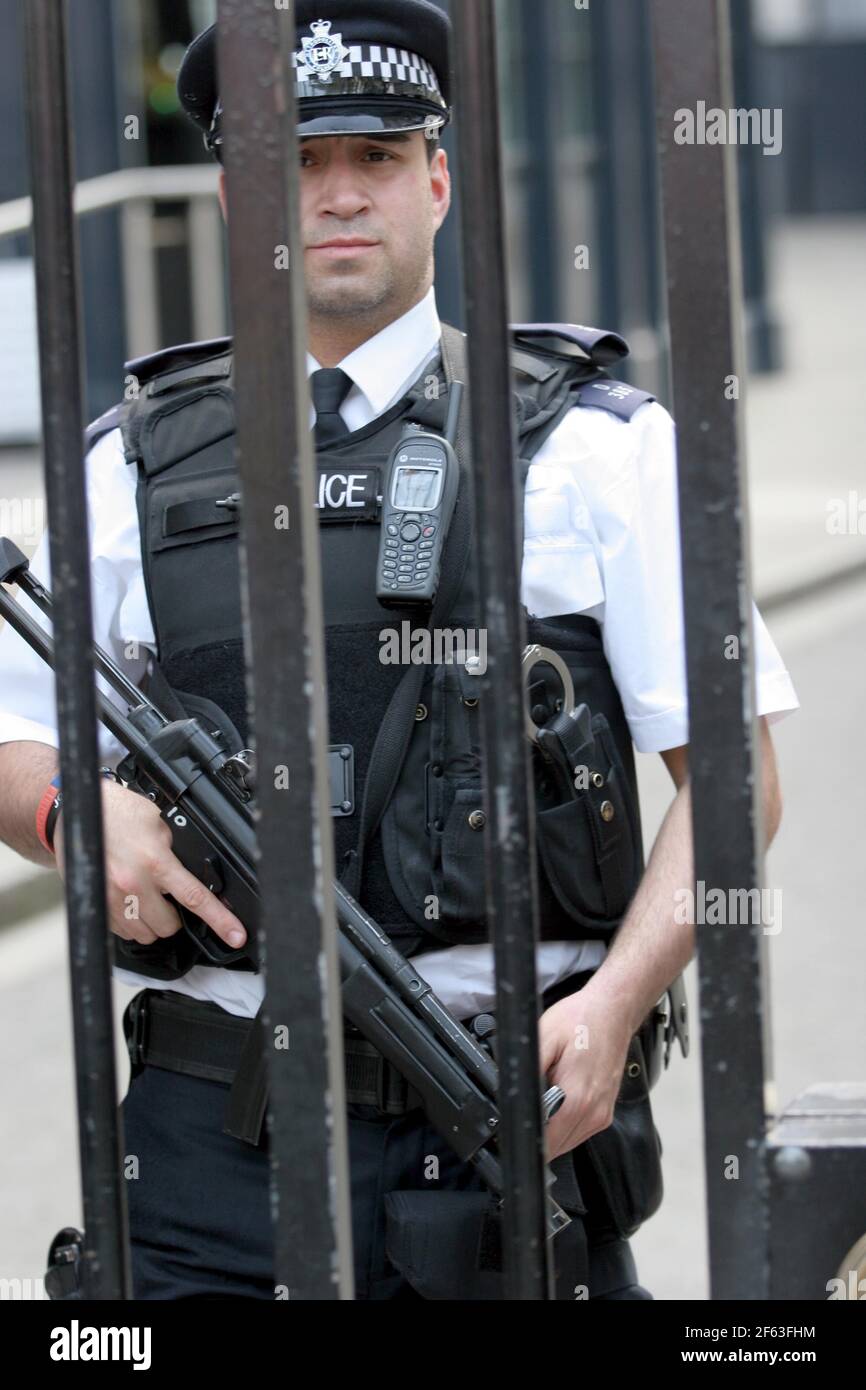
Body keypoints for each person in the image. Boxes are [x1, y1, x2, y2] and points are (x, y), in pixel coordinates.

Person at [0, 0, 799, 1300]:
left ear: (435, 180)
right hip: (212, 1139)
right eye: (295, 164)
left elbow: (731, 776)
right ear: (231, 193)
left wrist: (614, 1005)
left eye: (372, 157)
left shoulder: (594, 447)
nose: (336, 197)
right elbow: (14, 733)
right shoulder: (124, 466)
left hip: (503, 1120)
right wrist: (68, 813)